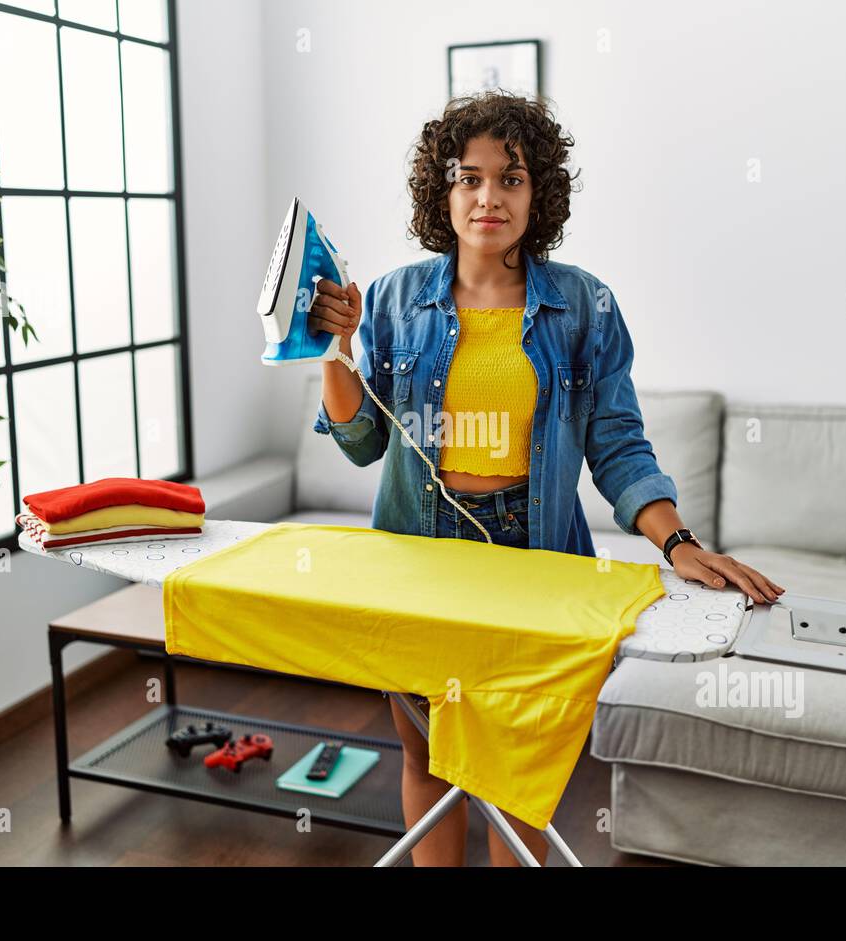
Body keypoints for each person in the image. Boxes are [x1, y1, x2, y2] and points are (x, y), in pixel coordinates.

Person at [310, 91, 784, 866]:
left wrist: (679, 541)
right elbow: (362, 442)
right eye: (469, 178)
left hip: (533, 556)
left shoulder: (583, 307)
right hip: (416, 554)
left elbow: (618, 442)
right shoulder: (395, 300)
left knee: (516, 767)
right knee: (427, 751)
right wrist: (335, 348)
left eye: (511, 178)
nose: (488, 197)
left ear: (541, 194)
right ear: (444, 192)